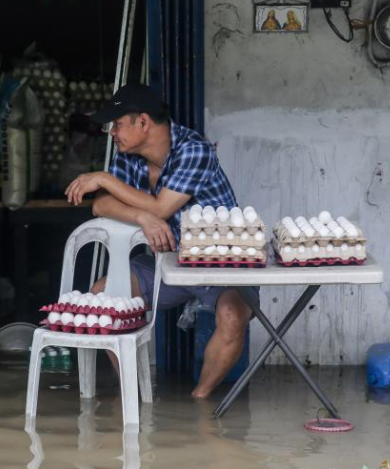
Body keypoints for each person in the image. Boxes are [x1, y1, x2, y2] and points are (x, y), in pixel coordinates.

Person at [64, 84, 260, 400]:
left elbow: (161, 207)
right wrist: (142, 218)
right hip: (166, 262)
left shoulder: (194, 150)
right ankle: (133, 397)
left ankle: (200, 403)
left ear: (143, 123)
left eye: (117, 124)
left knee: (233, 316)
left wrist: (105, 179)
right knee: (103, 297)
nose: (112, 132)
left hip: (220, 262)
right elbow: (101, 205)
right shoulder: (128, 157)